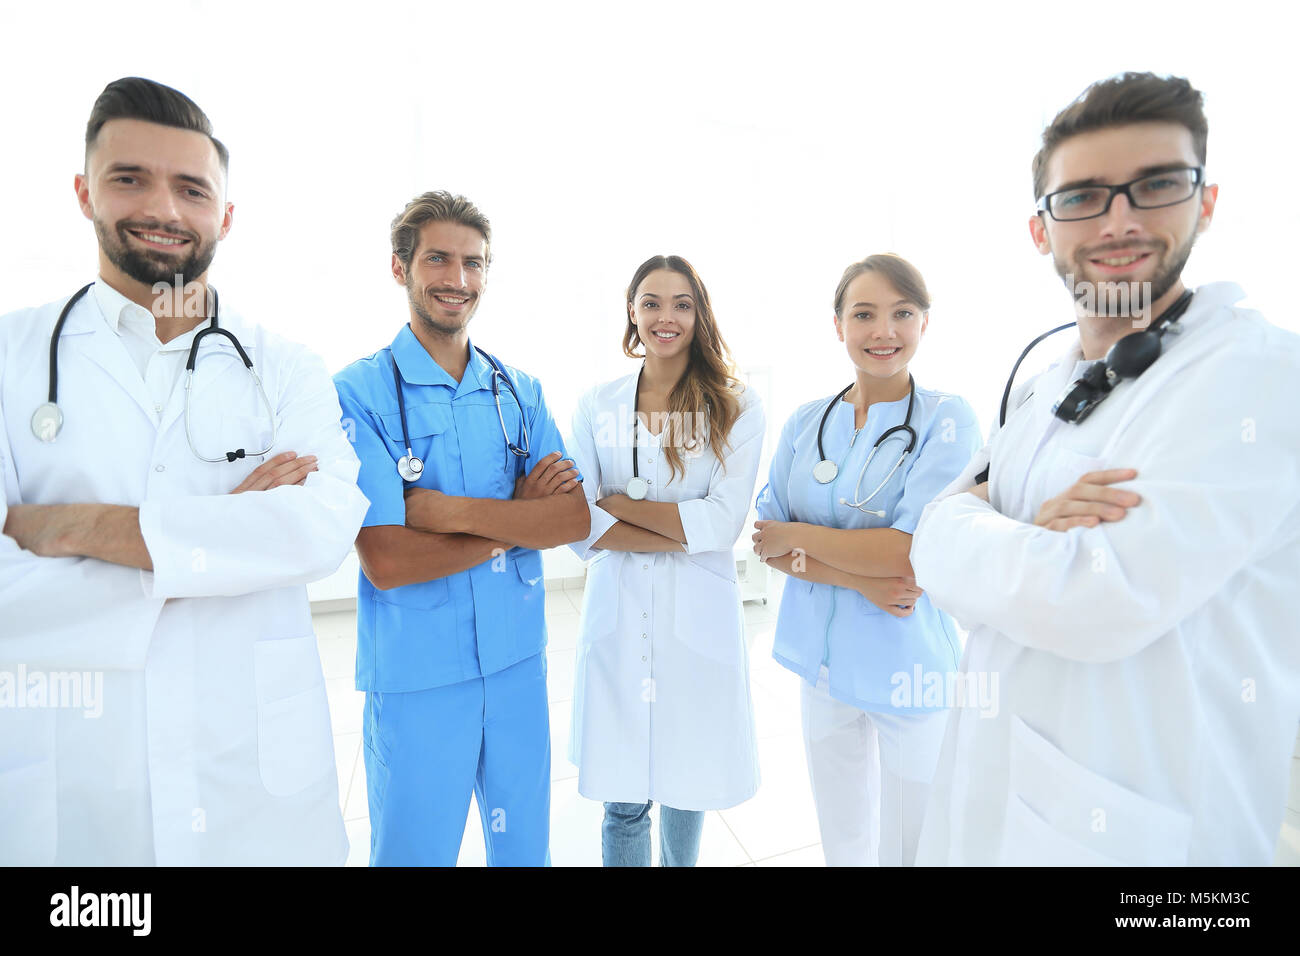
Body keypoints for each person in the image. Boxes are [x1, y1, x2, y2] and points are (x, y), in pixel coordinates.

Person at [911, 72, 1300, 866]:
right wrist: (1001, 533)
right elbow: (960, 543)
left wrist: (958, 527)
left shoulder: (1256, 374)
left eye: (1155, 185)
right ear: (1040, 229)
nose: (1119, 219)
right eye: (1084, 196)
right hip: (1004, 792)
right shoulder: (1046, 379)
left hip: (1147, 836)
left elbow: (1092, 600)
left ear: (1207, 201)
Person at [0, 77, 368, 865]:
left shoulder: (287, 367)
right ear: (83, 192)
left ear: (224, 215)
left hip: (256, 801)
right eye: (130, 178)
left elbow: (319, 529)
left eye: (191, 189)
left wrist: (79, 529)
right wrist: (224, 540)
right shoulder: (9, 358)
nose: (164, 210)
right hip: (82, 797)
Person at [333, 191, 589, 867]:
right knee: (415, 854)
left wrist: (444, 511)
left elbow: (569, 517)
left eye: (473, 263)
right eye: (439, 259)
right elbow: (386, 557)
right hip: (418, 678)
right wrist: (515, 521)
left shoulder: (518, 388)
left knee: (524, 852)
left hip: (516, 667)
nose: (458, 279)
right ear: (400, 268)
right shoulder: (360, 392)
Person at [753, 254, 981, 866]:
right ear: (838, 325)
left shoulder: (947, 419)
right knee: (844, 840)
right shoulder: (806, 422)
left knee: (913, 846)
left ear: (924, 323)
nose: (884, 331)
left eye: (902, 313)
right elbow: (767, 543)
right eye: (864, 314)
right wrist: (863, 578)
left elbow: (906, 554)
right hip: (821, 665)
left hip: (907, 666)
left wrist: (804, 536)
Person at [566, 254, 765, 867]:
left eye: (681, 303)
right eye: (651, 302)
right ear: (632, 312)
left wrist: (622, 506)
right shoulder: (598, 403)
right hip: (618, 616)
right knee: (622, 798)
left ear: (699, 313)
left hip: (696, 617)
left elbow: (723, 522)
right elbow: (580, 524)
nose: (665, 317)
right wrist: (678, 524)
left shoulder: (736, 403)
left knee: (690, 780)